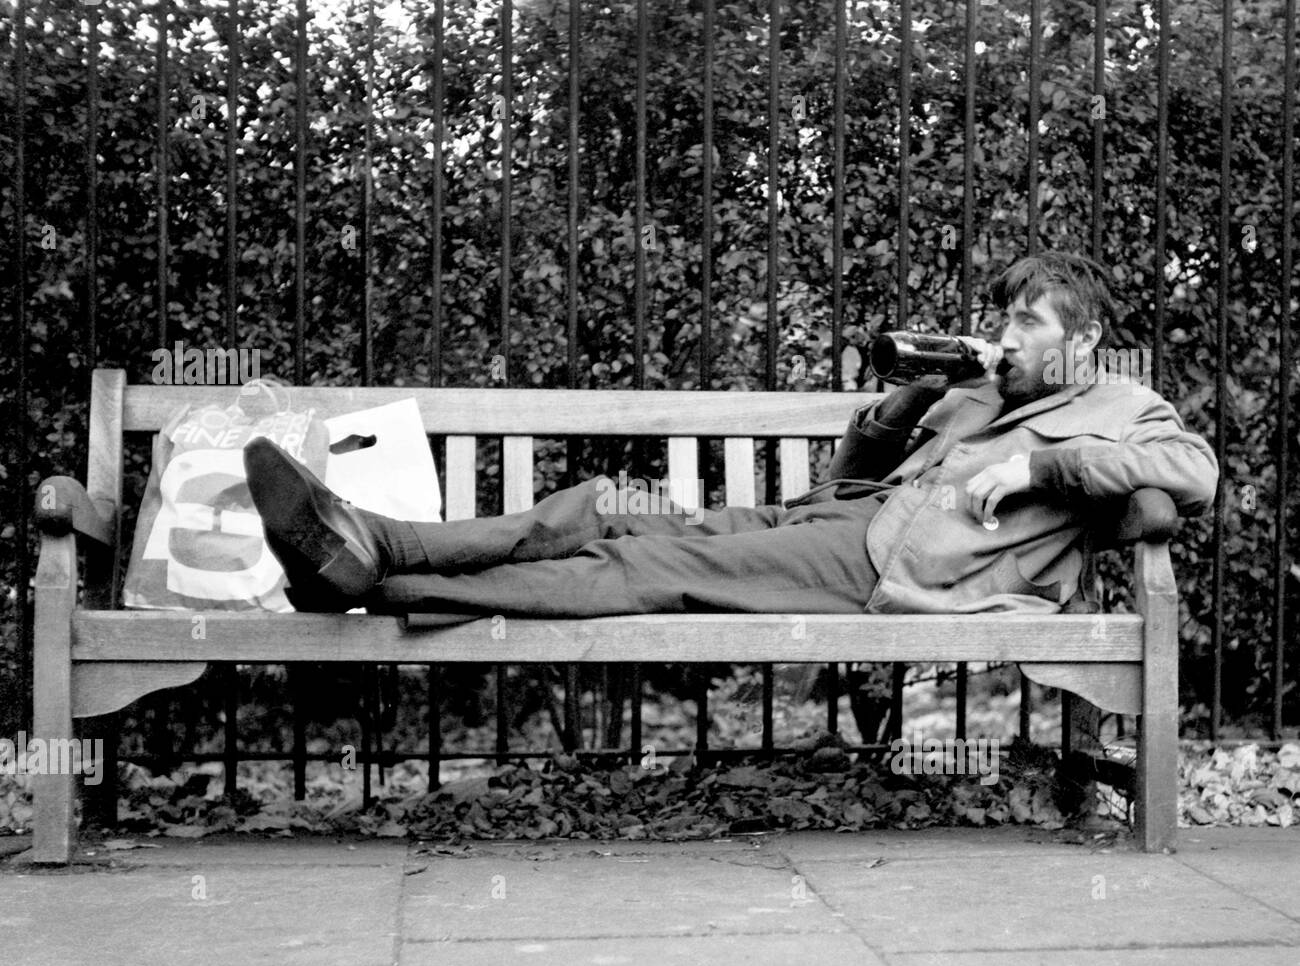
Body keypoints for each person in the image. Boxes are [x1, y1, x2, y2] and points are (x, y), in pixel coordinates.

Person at [243, 251, 1219, 618]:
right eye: (1002, 317)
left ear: (1083, 340)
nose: (1005, 337)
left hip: (891, 565)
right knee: (610, 516)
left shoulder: (1119, 406)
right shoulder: (974, 391)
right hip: (834, 519)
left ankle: (371, 574)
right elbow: (856, 471)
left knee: (644, 567)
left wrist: (1044, 463)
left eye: (1027, 325)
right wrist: (914, 395)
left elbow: (1193, 470)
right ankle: (380, 547)